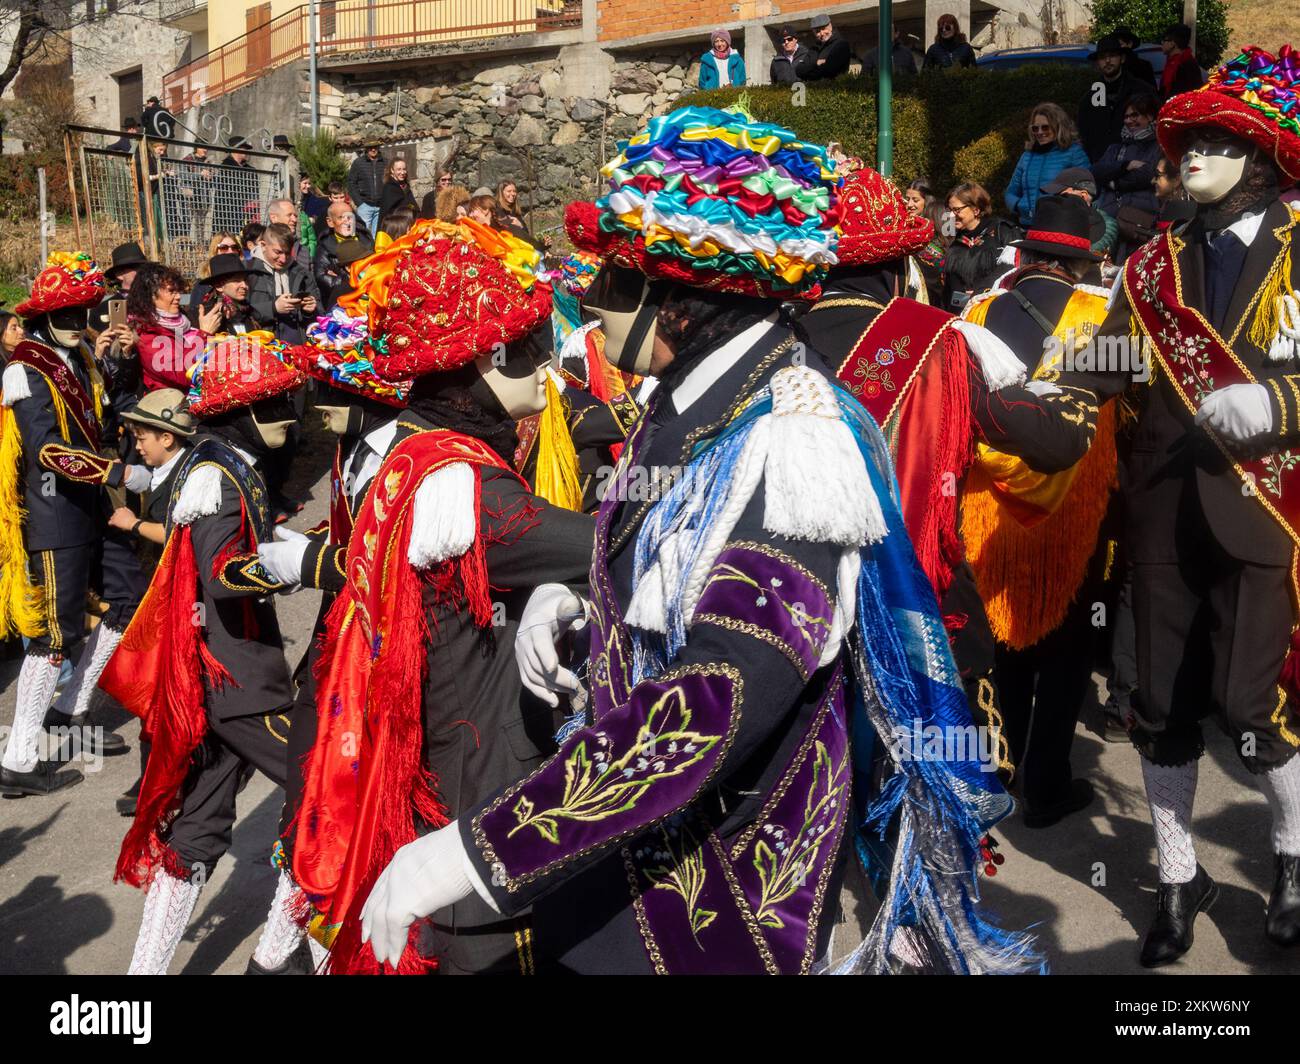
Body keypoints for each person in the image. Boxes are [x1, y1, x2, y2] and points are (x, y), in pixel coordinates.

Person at [355, 109, 1039, 976]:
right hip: (637, 854)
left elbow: (718, 694)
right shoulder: (695, 397)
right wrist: (577, 601)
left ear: (682, 297)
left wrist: (480, 853)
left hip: (716, 896)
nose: (589, 297)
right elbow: (672, 563)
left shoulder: (792, 437)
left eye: (616, 276)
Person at [283, 221, 597, 975]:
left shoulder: (415, 444)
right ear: (489, 358)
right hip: (477, 776)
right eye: (531, 350)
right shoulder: (465, 482)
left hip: (429, 754)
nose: (547, 368)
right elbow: (604, 548)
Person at [1051, 46, 1300, 964]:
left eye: (1213, 140)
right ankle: (1175, 875)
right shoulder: (1151, 263)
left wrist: (1277, 405)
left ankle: (1291, 857)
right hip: (1158, 503)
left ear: (1263, 158)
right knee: (1159, 704)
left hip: (1264, 502)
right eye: (1183, 140)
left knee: (1254, 703)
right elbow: (1119, 359)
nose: (1187, 154)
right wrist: (1057, 385)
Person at [796, 169, 1098, 800]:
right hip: (917, 602)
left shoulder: (772, 341)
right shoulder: (939, 341)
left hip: (797, 600)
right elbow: (1046, 440)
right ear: (898, 266)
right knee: (930, 792)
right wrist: (1074, 404)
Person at [101, 334, 312, 975]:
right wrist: (307, 565)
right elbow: (222, 575)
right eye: (274, 402)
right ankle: (277, 958)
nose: (290, 413)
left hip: (215, 676)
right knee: (333, 791)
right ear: (242, 409)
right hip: (236, 680)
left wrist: (282, 540)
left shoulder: (223, 461)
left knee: (195, 828)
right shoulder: (219, 472)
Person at [957, 195, 1114, 827]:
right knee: (1069, 647)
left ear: (1025, 255)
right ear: (1080, 263)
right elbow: (1121, 409)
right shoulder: (1104, 316)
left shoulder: (976, 312)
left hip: (989, 505)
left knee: (1003, 636)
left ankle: (1000, 761)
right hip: (1074, 504)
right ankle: (1048, 785)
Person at [0, 253, 153, 796]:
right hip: (51, 515)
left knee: (129, 596)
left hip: (90, 504)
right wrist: (118, 470)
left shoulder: (77, 351)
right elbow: (46, 451)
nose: (78, 320)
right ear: (43, 316)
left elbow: (100, 416)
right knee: (52, 635)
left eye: (83, 309)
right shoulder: (25, 366)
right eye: (67, 313)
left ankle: (68, 709)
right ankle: (17, 760)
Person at [106, 388, 196, 818]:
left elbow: (178, 533)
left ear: (168, 438)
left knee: (161, 692)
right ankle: (155, 779)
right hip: (160, 597)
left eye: (143, 436)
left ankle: (162, 783)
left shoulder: (186, 476)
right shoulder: (166, 469)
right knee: (154, 694)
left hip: (176, 599)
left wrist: (134, 523)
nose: (136, 444)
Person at [130, 262, 218, 392]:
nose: (178, 297)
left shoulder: (183, 321)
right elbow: (182, 375)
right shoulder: (146, 333)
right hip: (170, 406)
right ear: (151, 296)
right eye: (171, 291)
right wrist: (204, 334)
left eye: (178, 291)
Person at [1092, 93, 1163, 253]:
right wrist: (1126, 165)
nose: (1129, 120)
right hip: (1110, 220)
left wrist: (1114, 182)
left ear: (1150, 116)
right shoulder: (1116, 147)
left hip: (1140, 221)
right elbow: (1097, 171)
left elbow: (1147, 174)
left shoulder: (1158, 146)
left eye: (1135, 115)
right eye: (1126, 116)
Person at [1004, 103, 1091, 227]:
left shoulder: (1074, 152)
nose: (1039, 132)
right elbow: (1011, 192)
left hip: (1061, 226)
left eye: (1045, 127)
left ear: (1058, 127)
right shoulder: (1027, 156)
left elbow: (1088, 189)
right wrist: (1018, 206)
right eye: (1035, 128)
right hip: (1027, 226)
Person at [941, 181, 1020, 311]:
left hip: (991, 312)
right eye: (949, 210)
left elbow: (1011, 271)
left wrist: (980, 293)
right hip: (959, 315)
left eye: (956, 210)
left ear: (976, 210)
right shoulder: (957, 240)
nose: (950, 215)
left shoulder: (1002, 232)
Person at [1078, 34, 1156, 162]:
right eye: (1102, 57)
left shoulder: (1142, 90)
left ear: (1122, 58)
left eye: (1112, 55)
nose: (1107, 61)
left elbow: (1154, 127)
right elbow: (1085, 136)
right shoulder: (1089, 99)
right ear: (1098, 62)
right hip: (1101, 167)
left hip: (1136, 163)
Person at [246, 222, 320, 345]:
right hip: (262, 346)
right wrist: (273, 308)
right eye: (278, 252)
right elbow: (241, 313)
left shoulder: (302, 274)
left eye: (287, 253)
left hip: (298, 347)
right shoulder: (249, 272)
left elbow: (319, 313)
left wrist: (310, 311)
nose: (283, 259)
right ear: (263, 245)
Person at [1039, 167, 1117, 260]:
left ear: (1083, 196)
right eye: (1055, 195)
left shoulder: (1107, 224)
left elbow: (1090, 253)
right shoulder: (1056, 216)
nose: (1056, 200)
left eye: (1063, 195)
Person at [314, 199, 374, 309]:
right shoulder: (324, 247)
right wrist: (348, 280)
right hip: (342, 303)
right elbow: (322, 277)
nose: (347, 221)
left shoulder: (366, 239)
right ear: (330, 222)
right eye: (341, 217)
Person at [186, 253, 263, 334]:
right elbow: (189, 345)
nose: (244, 285)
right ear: (219, 286)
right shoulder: (202, 316)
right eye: (237, 280)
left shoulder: (251, 314)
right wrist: (204, 333)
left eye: (245, 280)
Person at [905, 177, 950, 304]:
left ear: (926, 200)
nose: (909, 205)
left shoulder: (942, 213)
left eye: (915, 200)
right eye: (907, 199)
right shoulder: (905, 222)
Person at [218, 140, 260, 236]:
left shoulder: (250, 169)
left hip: (246, 212)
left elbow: (254, 192)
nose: (246, 151)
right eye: (244, 148)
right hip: (227, 212)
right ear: (235, 149)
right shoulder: (225, 166)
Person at [179, 143, 216, 245]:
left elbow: (214, 181)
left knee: (201, 223)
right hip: (190, 196)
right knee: (188, 221)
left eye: (206, 147)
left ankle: (200, 245)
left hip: (204, 197)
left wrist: (211, 177)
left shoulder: (208, 161)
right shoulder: (187, 160)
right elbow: (183, 175)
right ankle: (187, 244)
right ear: (196, 148)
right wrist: (199, 174)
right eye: (203, 147)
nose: (205, 150)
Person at [796, 14, 852, 81]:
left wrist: (808, 71)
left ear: (830, 26)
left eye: (823, 29)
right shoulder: (814, 49)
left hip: (835, 89)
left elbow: (829, 71)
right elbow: (799, 71)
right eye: (817, 31)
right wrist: (816, 63)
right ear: (813, 32)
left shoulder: (840, 45)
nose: (822, 33)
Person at [348, 143, 385, 237]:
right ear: (366, 149)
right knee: (361, 234)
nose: (373, 149)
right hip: (365, 205)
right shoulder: (358, 163)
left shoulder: (385, 162)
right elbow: (351, 183)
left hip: (381, 206)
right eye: (370, 147)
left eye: (375, 147)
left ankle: (375, 252)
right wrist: (359, 203)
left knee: (377, 235)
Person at [1160, 23, 1204, 99]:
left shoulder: (1187, 64)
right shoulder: (1171, 62)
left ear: (1173, 43)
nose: (1162, 43)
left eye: (1164, 40)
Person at [267, 198, 310, 270]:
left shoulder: (303, 247)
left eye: (295, 216)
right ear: (274, 218)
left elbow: (310, 276)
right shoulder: (264, 247)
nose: (294, 220)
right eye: (289, 215)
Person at [378, 156, 417, 227]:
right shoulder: (389, 188)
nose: (402, 172)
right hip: (394, 227)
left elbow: (413, 205)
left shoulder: (405, 186)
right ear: (392, 170)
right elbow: (388, 213)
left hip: (406, 225)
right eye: (399, 169)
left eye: (404, 169)